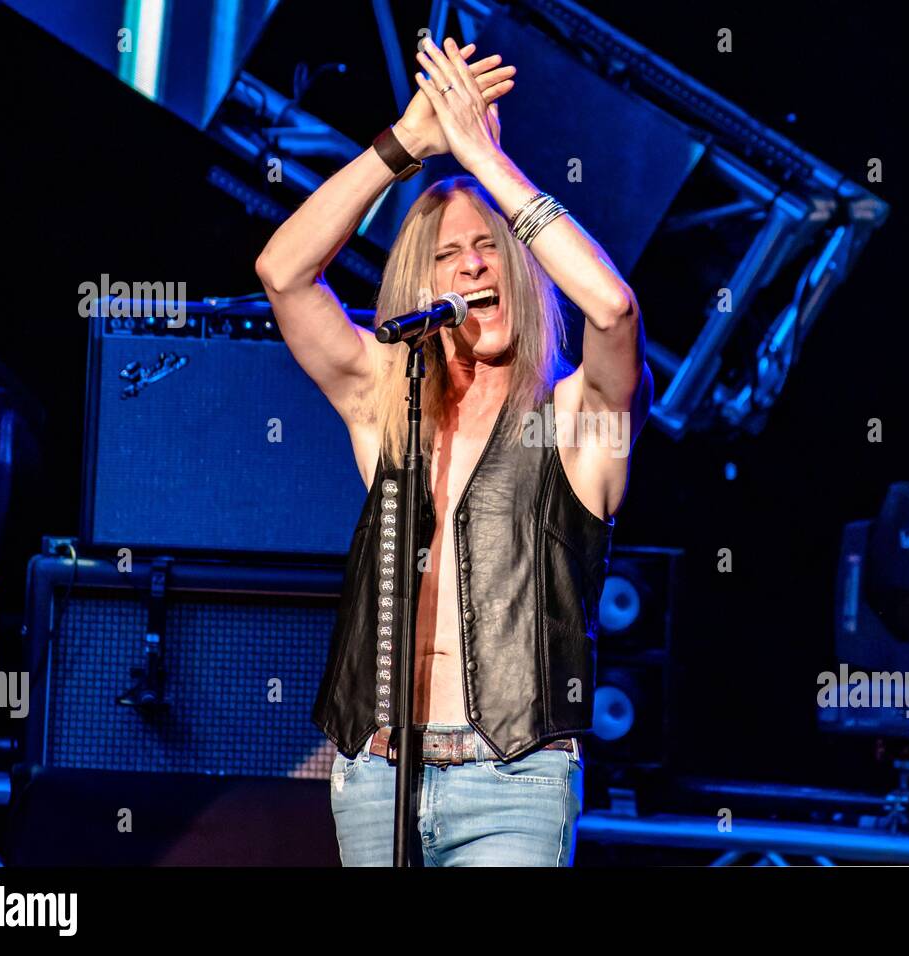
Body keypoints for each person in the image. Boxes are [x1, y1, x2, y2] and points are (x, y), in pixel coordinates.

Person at [256, 36, 651, 866]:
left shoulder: (576, 415)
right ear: (422, 286)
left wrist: (483, 158)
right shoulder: (388, 404)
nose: (473, 264)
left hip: (513, 781)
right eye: (447, 255)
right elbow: (284, 272)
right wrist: (404, 146)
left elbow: (612, 310)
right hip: (374, 774)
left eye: (490, 249)